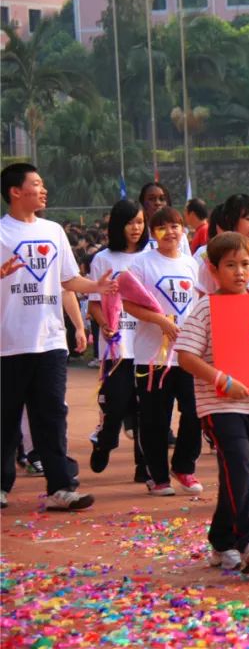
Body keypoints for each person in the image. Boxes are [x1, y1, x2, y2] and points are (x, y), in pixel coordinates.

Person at [1, 163, 115, 511]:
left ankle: (60, 487)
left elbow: (67, 280)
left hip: (50, 340)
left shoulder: (52, 231)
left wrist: (96, 287)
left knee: (51, 414)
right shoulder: (2, 233)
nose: (43, 189)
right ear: (15, 192)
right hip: (8, 342)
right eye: (36, 184)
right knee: (6, 417)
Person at [176, 232, 249, 573]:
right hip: (218, 405)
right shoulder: (205, 307)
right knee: (238, 463)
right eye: (230, 265)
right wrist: (221, 379)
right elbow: (184, 355)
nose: (240, 272)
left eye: (245, 264)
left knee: (236, 471)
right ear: (213, 269)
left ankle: (221, 539)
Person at [124, 206, 203, 497]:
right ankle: (157, 476)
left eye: (175, 226)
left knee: (195, 411)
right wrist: (160, 321)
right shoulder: (142, 264)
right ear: (153, 232)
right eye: (162, 227)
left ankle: (184, 466)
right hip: (152, 357)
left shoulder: (192, 265)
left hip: (188, 354)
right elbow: (127, 302)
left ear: (183, 230)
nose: (170, 232)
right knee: (155, 418)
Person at [86, 199, 148, 476]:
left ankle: (144, 465)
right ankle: (106, 440)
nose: (135, 228)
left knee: (146, 406)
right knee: (118, 400)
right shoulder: (103, 259)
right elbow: (94, 302)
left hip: (148, 342)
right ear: (117, 225)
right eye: (130, 222)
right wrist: (104, 326)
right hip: (117, 344)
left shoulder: (151, 256)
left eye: (140, 222)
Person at [139, 182, 191, 255]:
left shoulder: (180, 236)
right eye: (151, 199)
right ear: (143, 203)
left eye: (162, 199)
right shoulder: (137, 234)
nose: (157, 203)